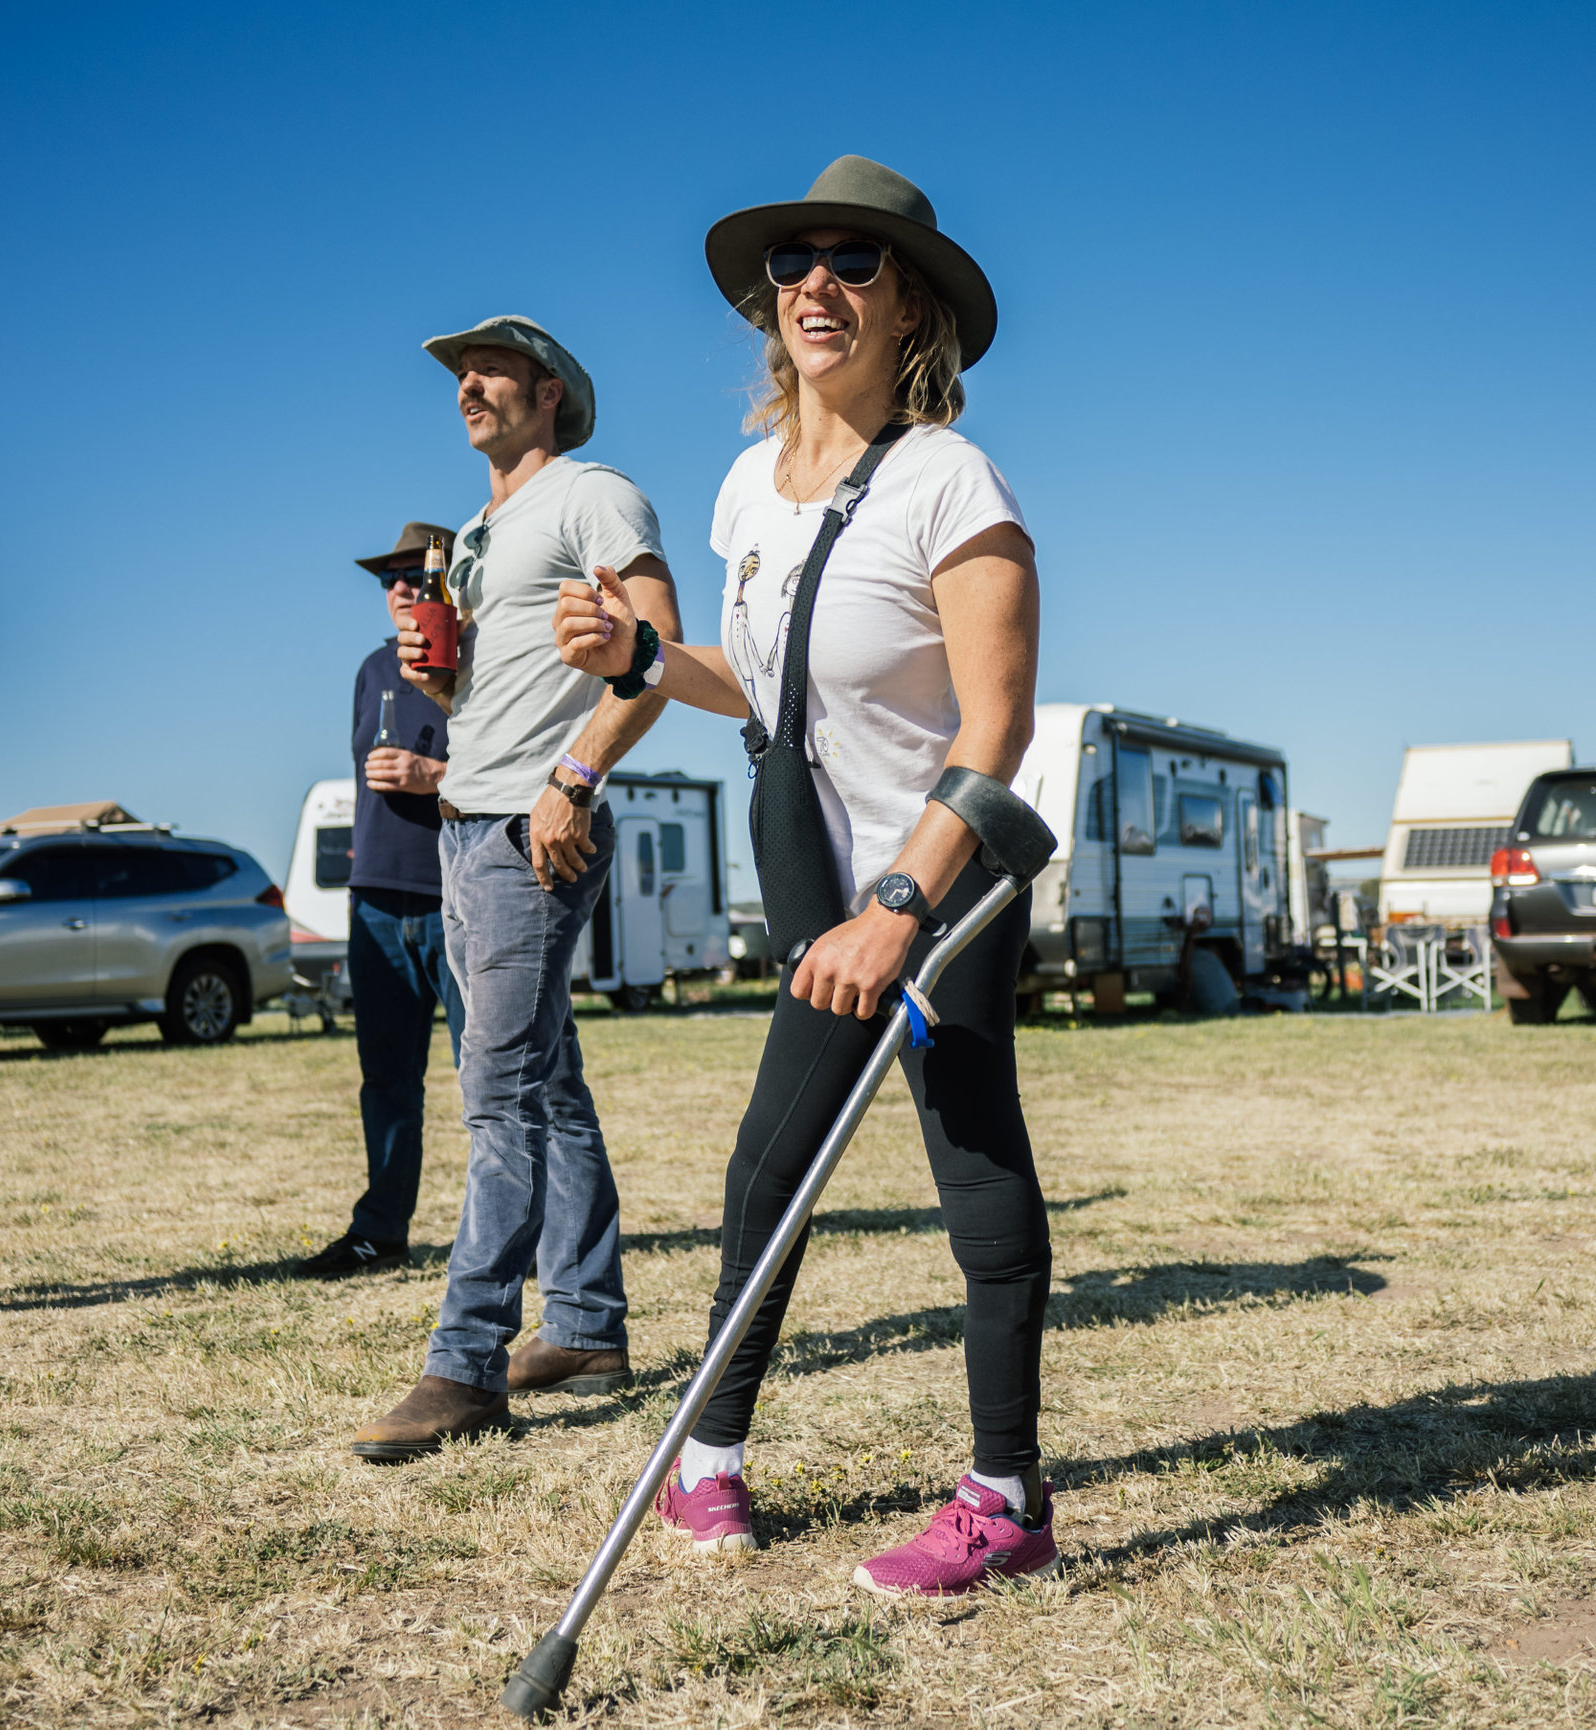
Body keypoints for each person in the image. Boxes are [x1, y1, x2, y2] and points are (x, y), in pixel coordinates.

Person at [553, 157, 1051, 1595]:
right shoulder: (743, 492)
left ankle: (1004, 1496)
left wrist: (903, 903)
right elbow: (758, 684)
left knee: (971, 1161)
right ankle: (705, 1461)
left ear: (912, 310)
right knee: (766, 1168)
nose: (815, 285)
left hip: (933, 877)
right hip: (813, 879)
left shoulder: (952, 484)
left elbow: (995, 723)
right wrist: (642, 661)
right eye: (793, 265)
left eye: (854, 263)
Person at [348, 317, 684, 1461]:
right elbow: (497, 686)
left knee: (495, 1096)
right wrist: (442, 674)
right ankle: (586, 1325)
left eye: (488, 369)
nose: (466, 386)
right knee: (547, 1085)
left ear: (549, 393)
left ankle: (467, 1360)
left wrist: (573, 779)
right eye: (455, 373)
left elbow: (660, 654)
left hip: (524, 827)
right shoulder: (483, 533)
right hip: (465, 818)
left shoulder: (594, 494)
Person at [298, 522, 466, 1278]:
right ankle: (380, 1233)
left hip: (458, 896)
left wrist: (433, 775)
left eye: (414, 575)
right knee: (385, 1080)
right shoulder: (371, 669)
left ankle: (516, 1239)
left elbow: (517, 768)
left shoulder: (476, 658)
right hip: (374, 902)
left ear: (448, 582)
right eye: (389, 579)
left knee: (492, 1081)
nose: (400, 589)